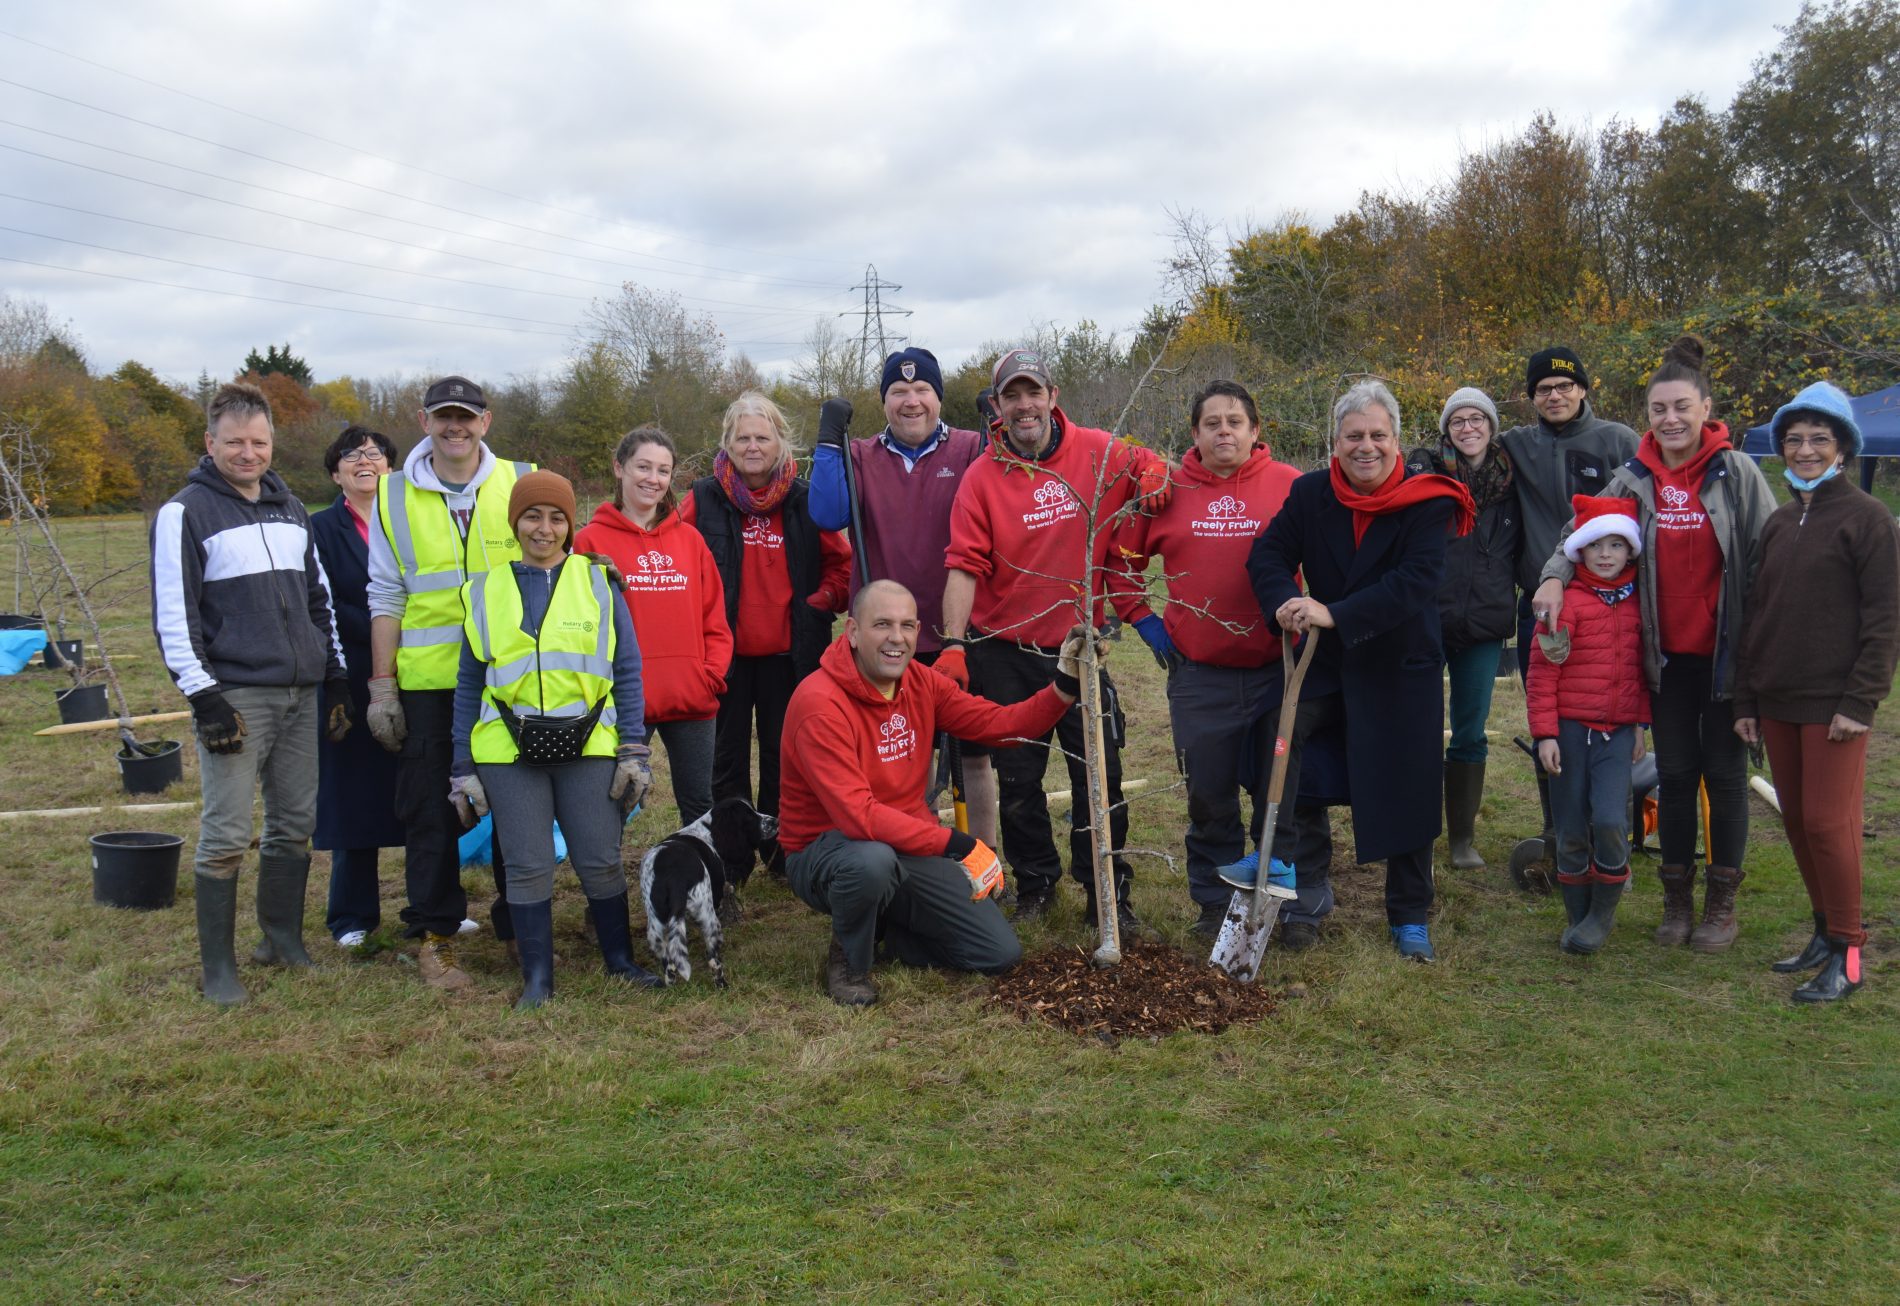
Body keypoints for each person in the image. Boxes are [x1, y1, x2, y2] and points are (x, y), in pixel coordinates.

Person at [1532, 337, 1775, 954]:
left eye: (1681, 407)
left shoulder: (1736, 472)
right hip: (1661, 658)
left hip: (1723, 656)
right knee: (1671, 773)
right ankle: (1675, 899)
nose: (1669, 419)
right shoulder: (1633, 477)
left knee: (1722, 777)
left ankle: (1721, 903)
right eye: (1658, 409)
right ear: (1647, 414)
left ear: (1706, 408)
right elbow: (1572, 537)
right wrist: (1556, 578)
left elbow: (1770, 561)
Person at [941, 348, 1172, 930]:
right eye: (1011, 396)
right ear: (997, 407)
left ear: (1052, 396)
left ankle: (1106, 892)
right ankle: (1036, 885)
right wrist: (952, 643)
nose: (1024, 406)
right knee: (1019, 781)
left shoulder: (1096, 449)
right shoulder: (981, 478)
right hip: (1005, 649)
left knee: (1100, 772)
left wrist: (1154, 471)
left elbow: (1148, 460)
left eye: (1032, 393)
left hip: (1079, 647)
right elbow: (964, 566)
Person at [779, 580, 1095, 1006]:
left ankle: (889, 926)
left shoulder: (921, 683)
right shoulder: (819, 703)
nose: (897, 638)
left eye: (908, 626)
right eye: (882, 625)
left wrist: (1063, 687)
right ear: (852, 632)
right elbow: (860, 817)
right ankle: (850, 961)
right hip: (829, 849)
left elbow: (1000, 725)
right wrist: (959, 844)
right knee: (871, 862)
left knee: (998, 952)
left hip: (906, 843)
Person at [1245, 379, 1474, 961]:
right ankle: (1289, 870)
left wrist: (1334, 611)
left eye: (1377, 435)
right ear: (1336, 440)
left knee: (1407, 783)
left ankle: (1409, 914)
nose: (1364, 446)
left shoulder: (1429, 500)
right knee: (1283, 736)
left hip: (1400, 660)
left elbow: (1417, 580)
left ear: (1396, 440)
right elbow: (1268, 554)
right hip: (1327, 662)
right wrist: (1284, 602)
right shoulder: (1311, 494)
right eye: (1354, 436)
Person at [150, 382, 351, 1004]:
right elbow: (172, 616)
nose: (248, 453)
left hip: (302, 693)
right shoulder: (184, 512)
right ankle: (218, 969)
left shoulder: (290, 509)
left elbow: (319, 599)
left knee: (294, 825)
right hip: (236, 697)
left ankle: (281, 942)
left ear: (271, 444)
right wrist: (205, 698)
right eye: (234, 442)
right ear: (210, 443)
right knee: (228, 832)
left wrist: (337, 673)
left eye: (258, 442)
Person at [451, 470, 659, 1008]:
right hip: (507, 751)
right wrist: (461, 767)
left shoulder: (599, 582)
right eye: (532, 516)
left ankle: (619, 959)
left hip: (589, 744)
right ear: (515, 521)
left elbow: (628, 669)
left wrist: (634, 750)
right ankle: (538, 978)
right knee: (528, 862)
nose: (544, 529)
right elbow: (469, 683)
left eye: (557, 518)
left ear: (571, 526)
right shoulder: (482, 592)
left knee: (600, 857)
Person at [1112, 380, 1300, 937]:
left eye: (1235, 421)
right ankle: (1214, 903)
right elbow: (1120, 562)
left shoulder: (1290, 485)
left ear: (1255, 430)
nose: (1224, 431)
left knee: (1281, 793)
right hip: (1199, 675)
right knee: (1208, 794)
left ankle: (1283, 903)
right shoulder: (1167, 488)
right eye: (1212, 422)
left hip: (1279, 672)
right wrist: (1144, 619)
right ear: (1194, 433)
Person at [366, 375, 535, 989]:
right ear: (424, 420)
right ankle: (436, 937)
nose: (455, 427)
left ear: (486, 422)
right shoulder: (391, 496)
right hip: (432, 685)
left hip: (509, 680)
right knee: (431, 815)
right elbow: (384, 594)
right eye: (444, 417)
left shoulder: (518, 481)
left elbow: (550, 562)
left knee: (517, 810)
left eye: (467, 417)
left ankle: (519, 928)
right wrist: (382, 687)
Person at [1733, 382, 1900, 1003]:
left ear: (1842, 449)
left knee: (1832, 824)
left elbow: (1885, 619)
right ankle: (1823, 934)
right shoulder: (1779, 522)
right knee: (1799, 823)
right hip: (1777, 699)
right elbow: (1759, 615)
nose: (1804, 450)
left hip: (1835, 706)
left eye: (1818, 439)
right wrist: (1747, 701)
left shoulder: (1868, 518)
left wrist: (1860, 703)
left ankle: (1851, 952)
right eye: (1794, 439)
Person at [807, 347, 999, 846]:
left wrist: (996, 429)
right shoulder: (860, 456)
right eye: (898, 391)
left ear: (938, 397)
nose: (911, 401)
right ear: (885, 401)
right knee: (902, 755)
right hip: (886, 638)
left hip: (959, 631)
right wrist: (827, 442)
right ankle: (918, 857)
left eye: (922, 391)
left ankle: (983, 859)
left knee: (974, 754)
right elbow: (827, 514)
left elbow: (1010, 492)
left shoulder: (969, 448)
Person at [682, 391, 851, 844]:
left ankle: (784, 850)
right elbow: (674, 558)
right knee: (727, 757)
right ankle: (732, 853)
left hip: (790, 656)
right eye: (742, 438)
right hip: (725, 657)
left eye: (762, 437)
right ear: (727, 445)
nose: (752, 447)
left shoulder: (805, 500)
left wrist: (825, 597)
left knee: (786, 755)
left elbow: (842, 565)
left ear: (781, 442)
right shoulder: (702, 500)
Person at [1501, 348, 1638, 861]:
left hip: (1610, 603)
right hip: (1543, 606)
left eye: (1564, 386)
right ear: (1531, 397)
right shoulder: (1515, 446)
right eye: (1543, 390)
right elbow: (1463, 445)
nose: (1554, 396)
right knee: (1550, 718)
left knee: (1609, 715)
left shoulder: (1618, 440)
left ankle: (1612, 829)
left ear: (1582, 389)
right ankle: (1559, 829)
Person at [575, 427, 731, 828]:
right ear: (619, 468)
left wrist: (709, 675)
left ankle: (710, 884)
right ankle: (609, 889)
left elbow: (714, 618)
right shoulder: (588, 542)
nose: (652, 479)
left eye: (663, 470)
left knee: (699, 804)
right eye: (643, 467)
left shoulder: (690, 540)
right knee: (612, 801)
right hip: (625, 702)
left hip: (690, 696)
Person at [1526, 496, 1650, 954]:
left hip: (1617, 734)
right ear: (1579, 549)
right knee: (1573, 825)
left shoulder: (1640, 603)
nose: (1605, 554)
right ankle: (1578, 912)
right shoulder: (1566, 603)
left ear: (1630, 551)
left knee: (1612, 820)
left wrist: (1639, 723)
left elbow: (1641, 669)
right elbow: (1542, 672)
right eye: (1596, 544)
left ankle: (1602, 913)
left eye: (1616, 544)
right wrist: (1545, 734)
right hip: (1570, 731)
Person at [1405, 387, 1521, 872]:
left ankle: (1463, 838)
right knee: (1420, 728)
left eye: (1477, 419)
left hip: (1484, 622)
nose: (1468, 427)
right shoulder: (1425, 474)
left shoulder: (1514, 481)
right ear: (1446, 429)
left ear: (1492, 427)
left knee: (1470, 731)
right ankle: (1416, 835)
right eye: (1458, 420)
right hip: (1427, 620)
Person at [309, 424, 409, 948]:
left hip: (415, 670)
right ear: (335, 472)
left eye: (375, 453)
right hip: (351, 675)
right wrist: (383, 620)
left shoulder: (411, 519)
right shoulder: (320, 528)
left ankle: (431, 905)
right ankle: (352, 917)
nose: (364, 461)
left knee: (421, 791)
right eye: (351, 455)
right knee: (353, 795)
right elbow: (320, 600)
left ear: (390, 467)